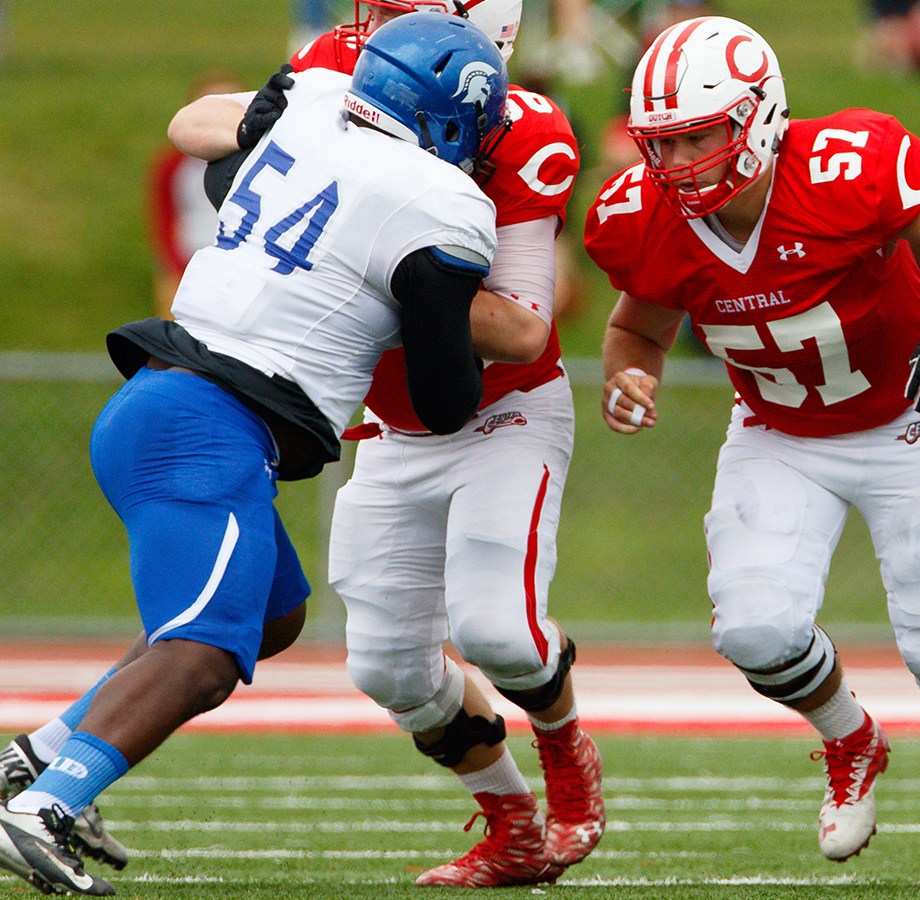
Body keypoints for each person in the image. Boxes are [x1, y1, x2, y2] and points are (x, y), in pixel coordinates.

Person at [0, 14, 506, 895]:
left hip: (167, 400)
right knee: (203, 654)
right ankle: (46, 807)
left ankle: (35, 760)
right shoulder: (443, 199)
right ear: (450, 116)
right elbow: (444, 399)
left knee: (273, 616)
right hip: (211, 424)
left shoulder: (310, 103)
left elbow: (222, 164)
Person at [583, 15, 920, 889]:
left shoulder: (846, 166)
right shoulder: (639, 217)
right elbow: (638, 324)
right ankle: (850, 737)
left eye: (697, 138)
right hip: (780, 433)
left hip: (911, 418)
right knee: (755, 628)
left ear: (758, 118)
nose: (676, 163)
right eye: (661, 143)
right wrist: (628, 374)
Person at [201, 0, 600, 887]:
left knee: (500, 632)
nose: (380, 24)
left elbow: (526, 329)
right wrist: (264, 130)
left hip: (503, 415)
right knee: (386, 666)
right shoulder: (340, 70)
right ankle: (513, 826)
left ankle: (567, 751)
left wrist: (388, 265)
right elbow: (193, 125)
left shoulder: (523, 133)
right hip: (390, 425)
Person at [148, 71, 244, 318]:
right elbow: (165, 216)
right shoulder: (173, 164)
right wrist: (176, 268)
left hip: (243, 273)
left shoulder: (261, 161)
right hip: (188, 267)